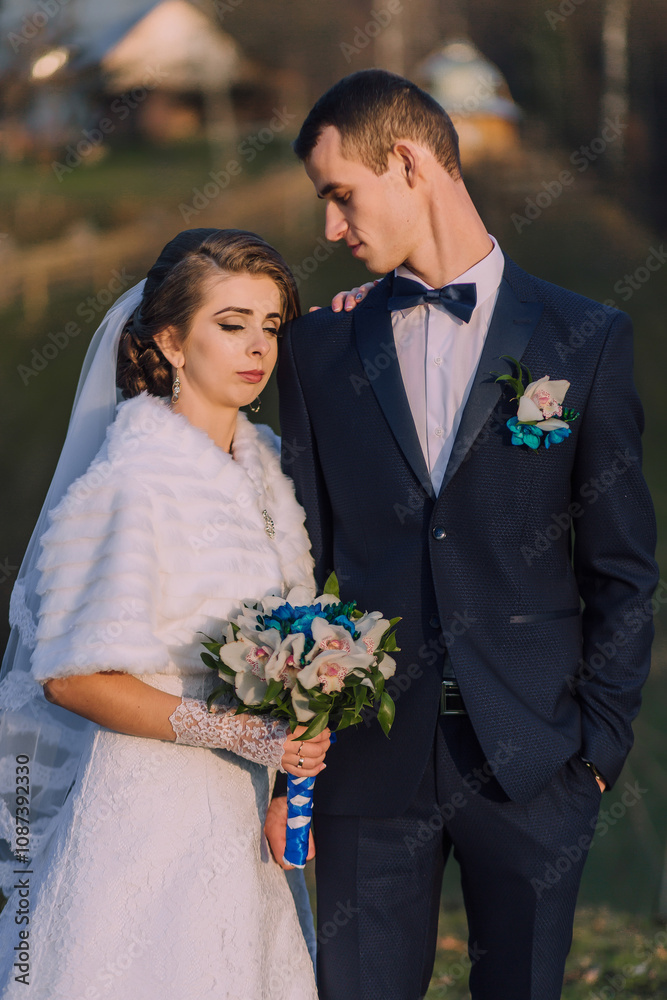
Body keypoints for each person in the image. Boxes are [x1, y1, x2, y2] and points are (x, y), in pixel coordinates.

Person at [266, 71, 659, 1000]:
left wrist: (596, 755)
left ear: (406, 163)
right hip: (367, 771)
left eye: (339, 195)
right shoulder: (319, 350)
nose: (330, 228)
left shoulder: (584, 337)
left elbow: (622, 569)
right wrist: (295, 750)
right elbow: (299, 563)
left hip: (532, 765)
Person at [0, 228, 371, 999]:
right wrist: (240, 733)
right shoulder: (130, 481)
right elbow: (71, 677)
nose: (257, 348)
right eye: (230, 324)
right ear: (169, 341)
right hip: (149, 819)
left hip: (246, 821)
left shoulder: (266, 468)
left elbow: (289, 656)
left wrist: (282, 781)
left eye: (270, 326)